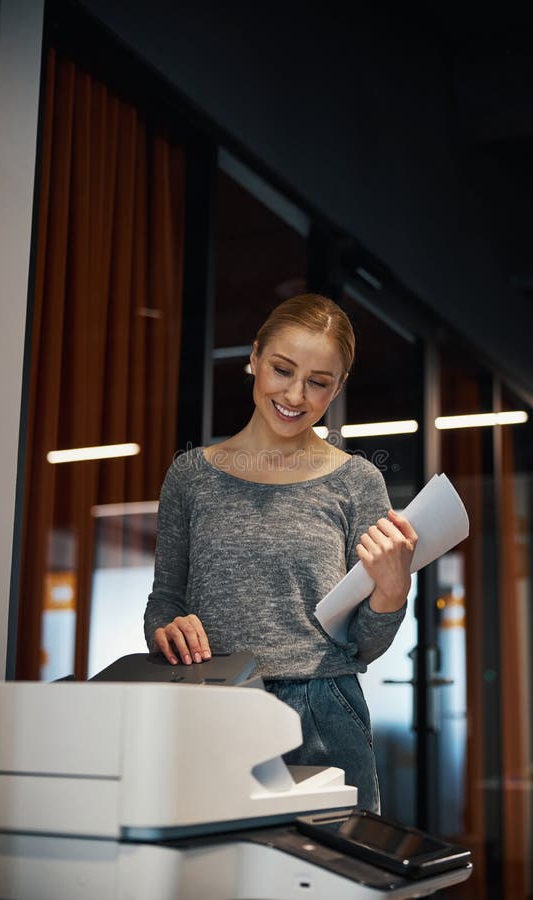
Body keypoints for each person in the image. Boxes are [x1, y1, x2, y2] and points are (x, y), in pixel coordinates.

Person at [144, 293, 417, 812]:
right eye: (282, 370)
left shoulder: (358, 482)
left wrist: (393, 588)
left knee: (334, 885)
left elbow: (363, 645)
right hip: (211, 701)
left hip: (322, 710)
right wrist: (167, 627)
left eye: (318, 382)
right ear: (254, 358)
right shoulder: (190, 477)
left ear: (337, 387)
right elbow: (164, 600)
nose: (295, 394)